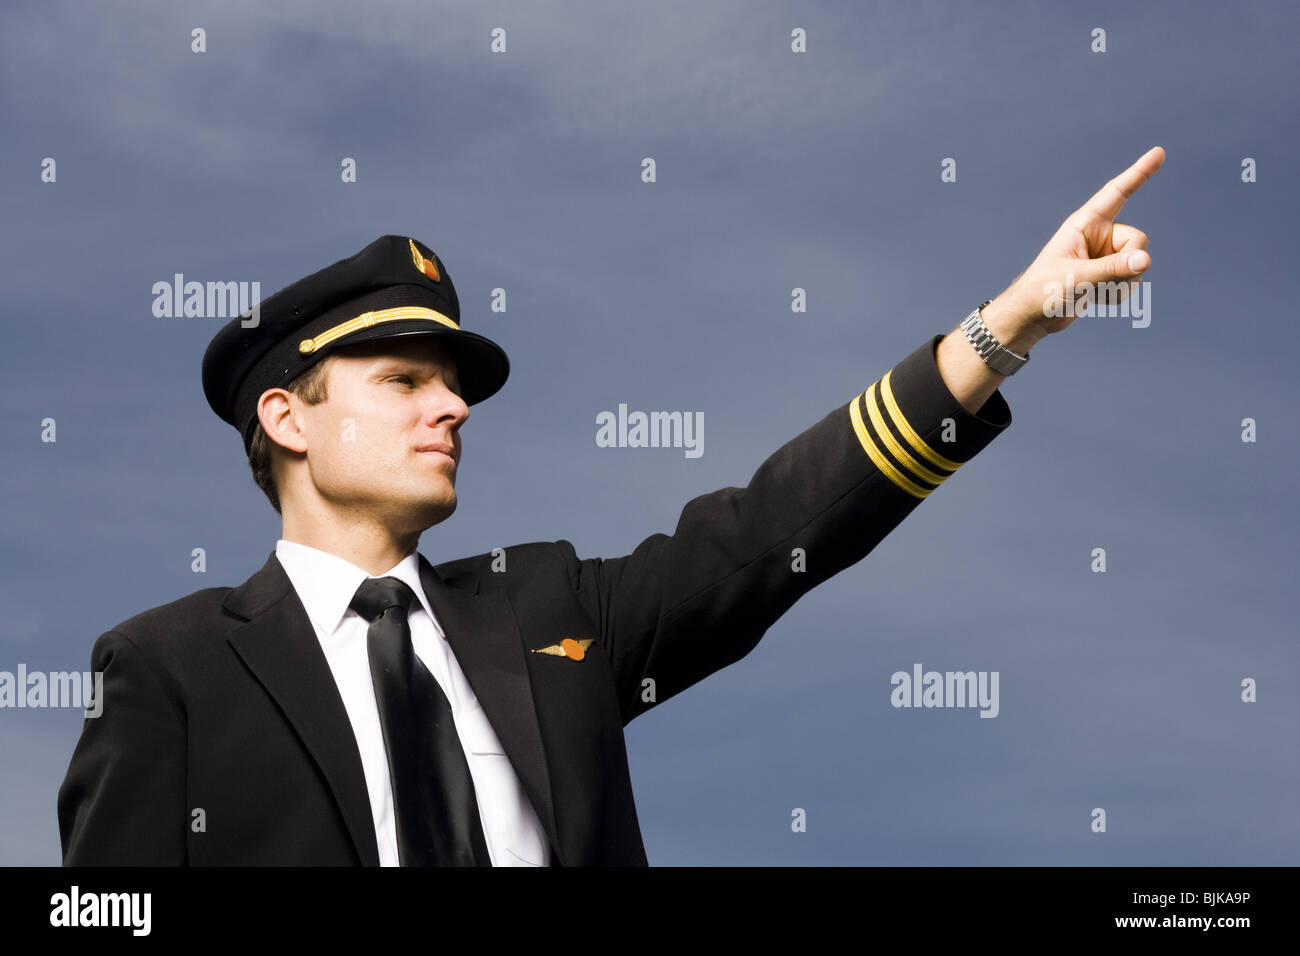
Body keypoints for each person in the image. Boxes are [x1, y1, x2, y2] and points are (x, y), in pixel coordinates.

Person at [56, 148, 1166, 866]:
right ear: (288, 419)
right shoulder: (172, 664)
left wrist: (1006, 324)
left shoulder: (547, 609)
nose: (452, 407)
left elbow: (771, 529)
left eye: (455, 386)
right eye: (404, 381)